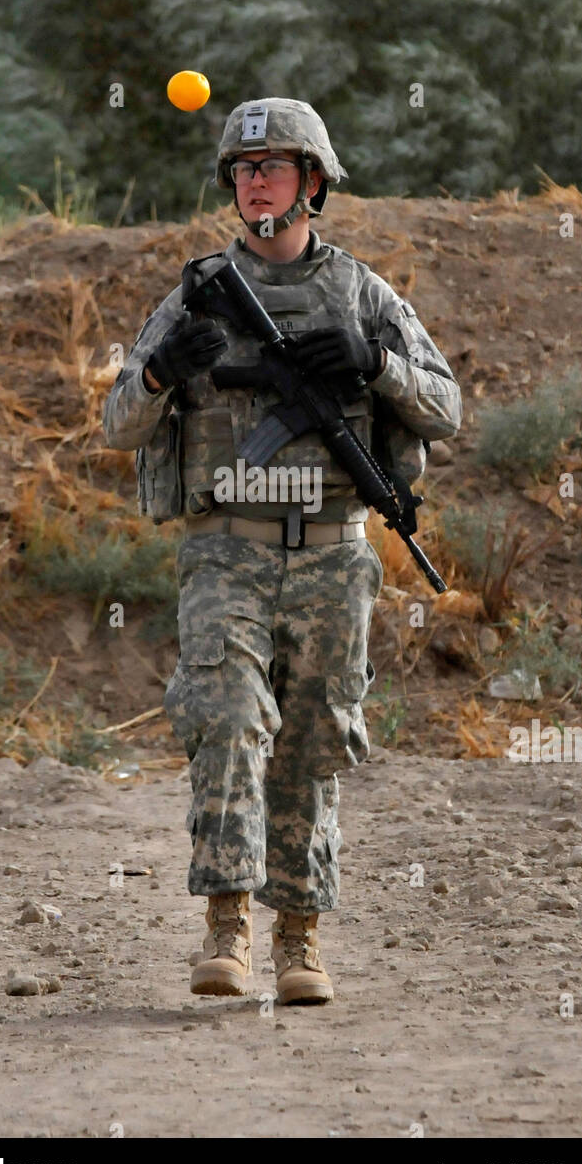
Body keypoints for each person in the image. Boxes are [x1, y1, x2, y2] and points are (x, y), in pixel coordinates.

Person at [102, 97, 462, 1005]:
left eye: (273, 167)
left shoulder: (363, 294)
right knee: (224, 717)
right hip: (227, 546)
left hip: (336, 550)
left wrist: (374, 365)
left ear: (314, 182)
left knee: (313, 735)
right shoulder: (196, 294)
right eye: (242, 170)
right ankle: (228, 927)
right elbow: (116, 422)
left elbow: (447, 410)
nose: (255, 182)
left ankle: (299, 937)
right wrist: (157, 373)